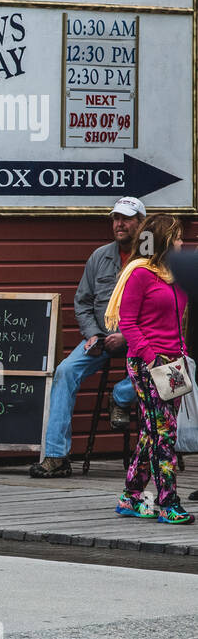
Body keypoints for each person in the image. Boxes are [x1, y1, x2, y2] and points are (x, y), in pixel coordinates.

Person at [29, 197, 145, 478]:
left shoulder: (152, 259)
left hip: (139, 339)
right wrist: (92, 335)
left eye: (126, 219)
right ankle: (56, 456)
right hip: (102, 337)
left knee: (163, 371)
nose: (119, 224)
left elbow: (156, 309)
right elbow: (82, 302)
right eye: (115, 218)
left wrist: (126, 337)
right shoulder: (99, 256)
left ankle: (120, 396)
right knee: (65, 371)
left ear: (142, 223)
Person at [105, 213, 193, 525]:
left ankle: (130, 495)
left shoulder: (174, 275)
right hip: (147, 363)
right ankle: (169, 503)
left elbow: (179, 321)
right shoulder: (139, 273)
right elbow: (128, 322)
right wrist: (151, 357)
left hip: (173, 363)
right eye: (178, 237)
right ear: (164, 240)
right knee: (164, 432)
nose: (183, 242)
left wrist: (179, 355)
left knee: (153, 431)